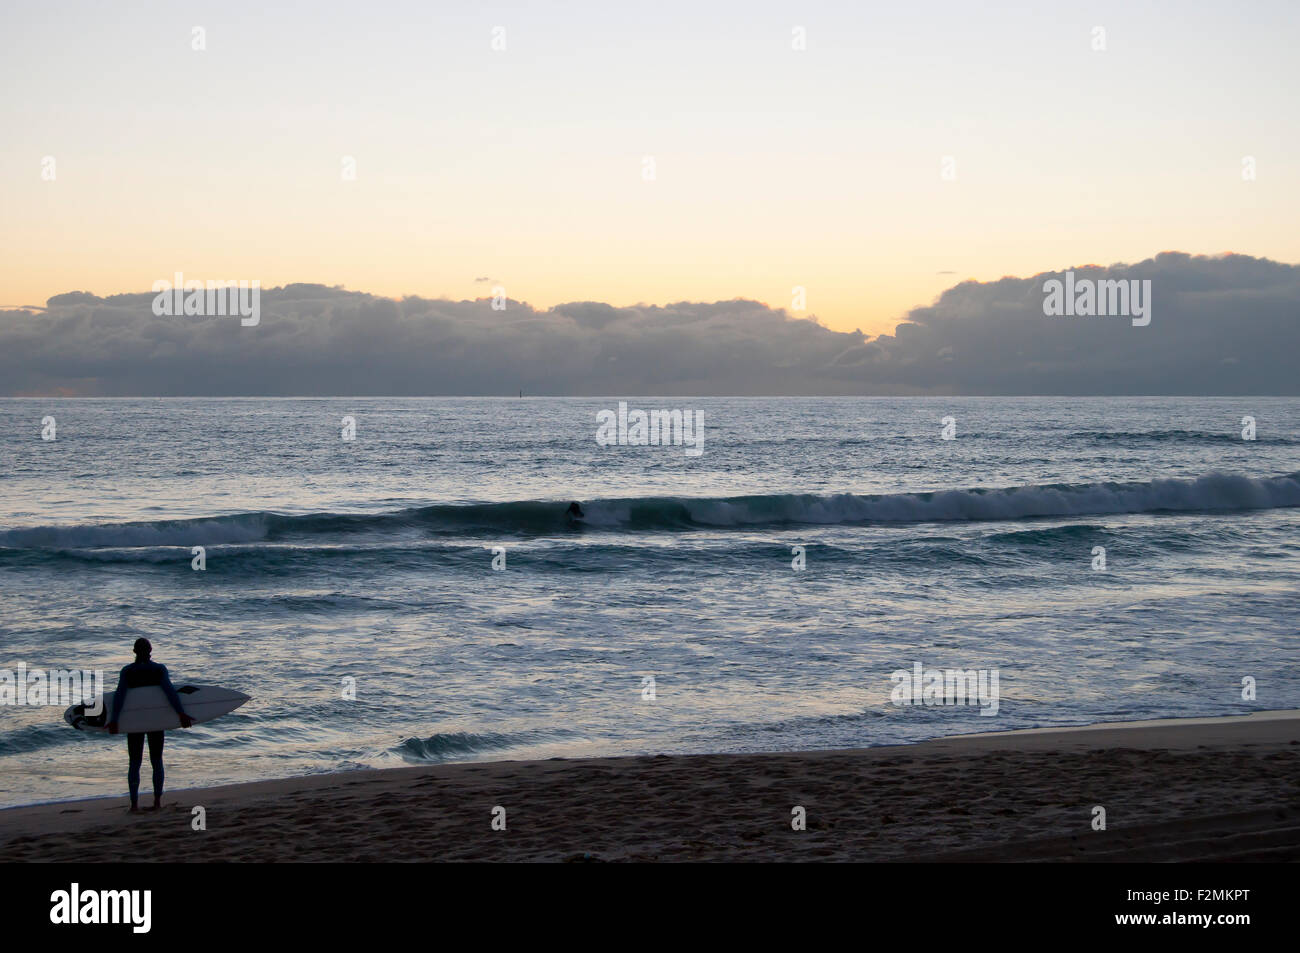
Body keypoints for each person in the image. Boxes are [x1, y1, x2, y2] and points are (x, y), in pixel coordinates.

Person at [106, 638, 194, 812]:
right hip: (155, 721)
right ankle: (157, 802)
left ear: (134, 652)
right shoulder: (158, 669)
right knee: (156, 761)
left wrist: (115, 720)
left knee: (135, 762)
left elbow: (120, 696)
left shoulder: (128, 671)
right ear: (151, 650)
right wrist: (181, 713)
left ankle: (134, 805)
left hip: (136, 722)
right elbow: (169, 692)